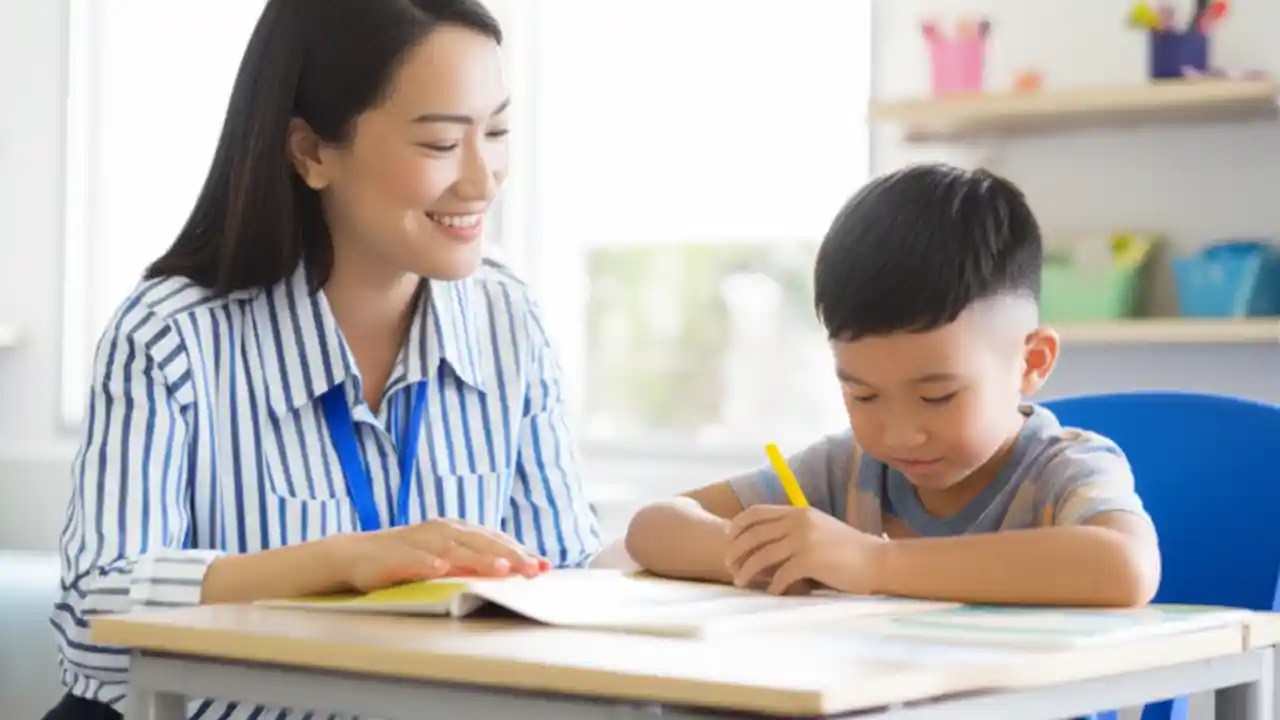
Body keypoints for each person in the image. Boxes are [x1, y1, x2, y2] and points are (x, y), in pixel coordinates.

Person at [46, 2, 600, 718]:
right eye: (439, 144)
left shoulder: (508, 322)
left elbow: (567, 579)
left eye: (496, 132)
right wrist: (338, 564)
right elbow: (94, 622)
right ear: (310, 152)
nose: (483, 179)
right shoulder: (171, 336)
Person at [625, 164, 1161, 607]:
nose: (900, 434)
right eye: (863, 396)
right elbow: (654, 527)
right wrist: (768, 554)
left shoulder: (1062, 472)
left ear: (1031, 361)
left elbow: (1125, 568)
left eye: (937, 396)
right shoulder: (847, 471)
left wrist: (870, 562)